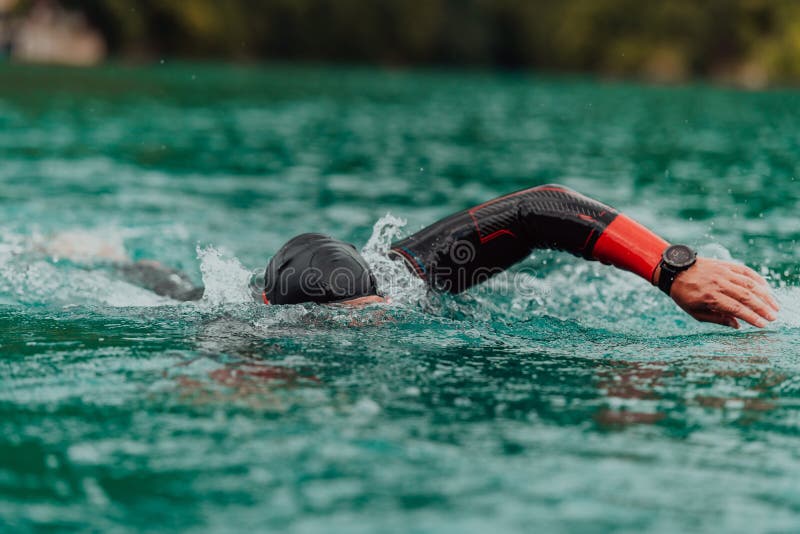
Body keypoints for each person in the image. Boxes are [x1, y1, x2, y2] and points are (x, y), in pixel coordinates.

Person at [127, 184, 779, 329]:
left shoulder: (410, 273)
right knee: (168, 284)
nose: (375, 325)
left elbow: (540, 207)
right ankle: (100, 253)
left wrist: (675, 267)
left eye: (373, 311)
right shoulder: (242, 331)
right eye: (357, 317)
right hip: (219, 300)